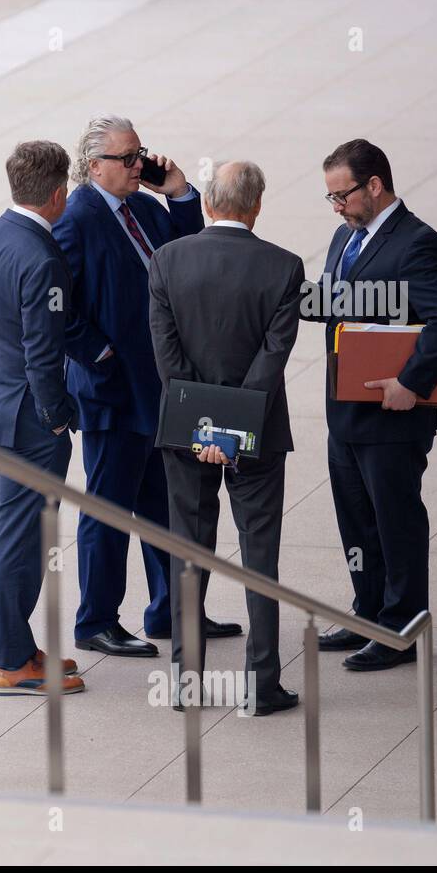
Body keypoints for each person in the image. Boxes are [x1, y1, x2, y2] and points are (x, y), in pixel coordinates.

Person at [54, 114, 241, 659]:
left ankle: (171, 611)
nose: (140, 165)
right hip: (113, 390)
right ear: (95, 166)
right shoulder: (77, 218)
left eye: (141, 154)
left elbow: (191, 253)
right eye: (128, 158)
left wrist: (180, 192)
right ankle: (96, 621)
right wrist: (100, 353)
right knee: (109, 509)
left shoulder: (141, 206)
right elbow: (56, 306)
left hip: (158, 387)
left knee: (166, 505)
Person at [306, 140, 437, 671]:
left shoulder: (417, 242)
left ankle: (402, 628)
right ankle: (368, 612)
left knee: (395, 521)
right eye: (330, 197)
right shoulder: (343, 236)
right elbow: (336, 306)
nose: (337, 207)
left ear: (374, 185)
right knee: (356, 521)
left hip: (393, 415)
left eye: (343, 195)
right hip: (345, 412)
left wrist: (412, 382)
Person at [148, 161, 303, 714]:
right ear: (256, 206)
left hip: (186, 432)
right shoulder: (285, 268)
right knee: (260, 555)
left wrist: (204, 427)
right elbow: (271, 359)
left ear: (208, 203)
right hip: (257, 435)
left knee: (187, 553)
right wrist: (234, 430)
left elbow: (168, 358)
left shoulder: (167, 260)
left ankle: (186, 681)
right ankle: (262, 684)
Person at [0, 140, 85, 696]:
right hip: (28, 423)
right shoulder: (43, 257)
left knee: (0, 533)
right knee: (21, 540)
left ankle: (6, 643)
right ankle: (10, 663)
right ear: (58, 195)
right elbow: (42, 353)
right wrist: (58, 416)